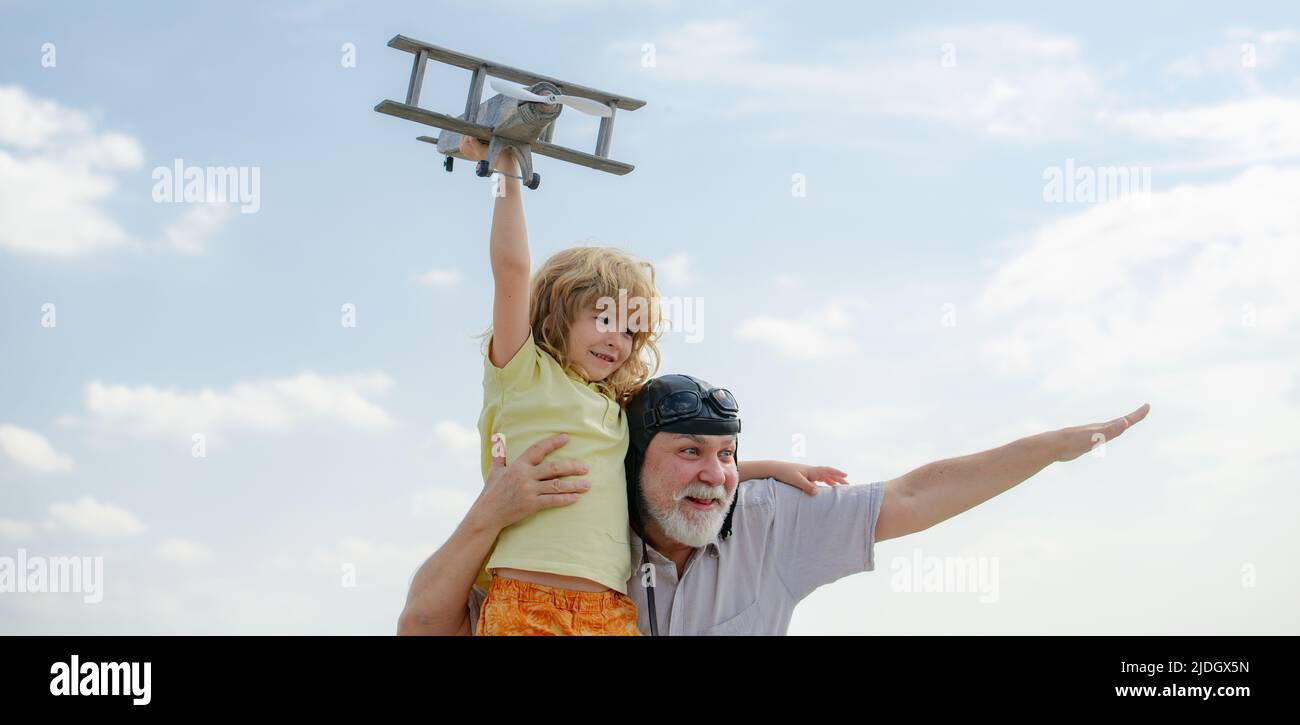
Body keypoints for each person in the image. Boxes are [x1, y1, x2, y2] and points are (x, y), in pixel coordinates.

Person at [398, 369, 1149, 635]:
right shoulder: (572, 525)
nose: (717, 473)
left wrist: (1050, 449)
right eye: (689, 451)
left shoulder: (771, 517)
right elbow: (423, 627)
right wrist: (487, 517)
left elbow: (918, 494)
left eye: (726, 454)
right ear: (632, 464)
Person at [457, 138, 848, 635]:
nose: (616, 340)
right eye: (603, 318)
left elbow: (672, 473)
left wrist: (774, 468)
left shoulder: (613, 412)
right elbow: (510, 269)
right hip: (529, 602)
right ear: (557, 309)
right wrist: (507, 169)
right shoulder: (524, 374)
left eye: (629, 330)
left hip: (607, 612)